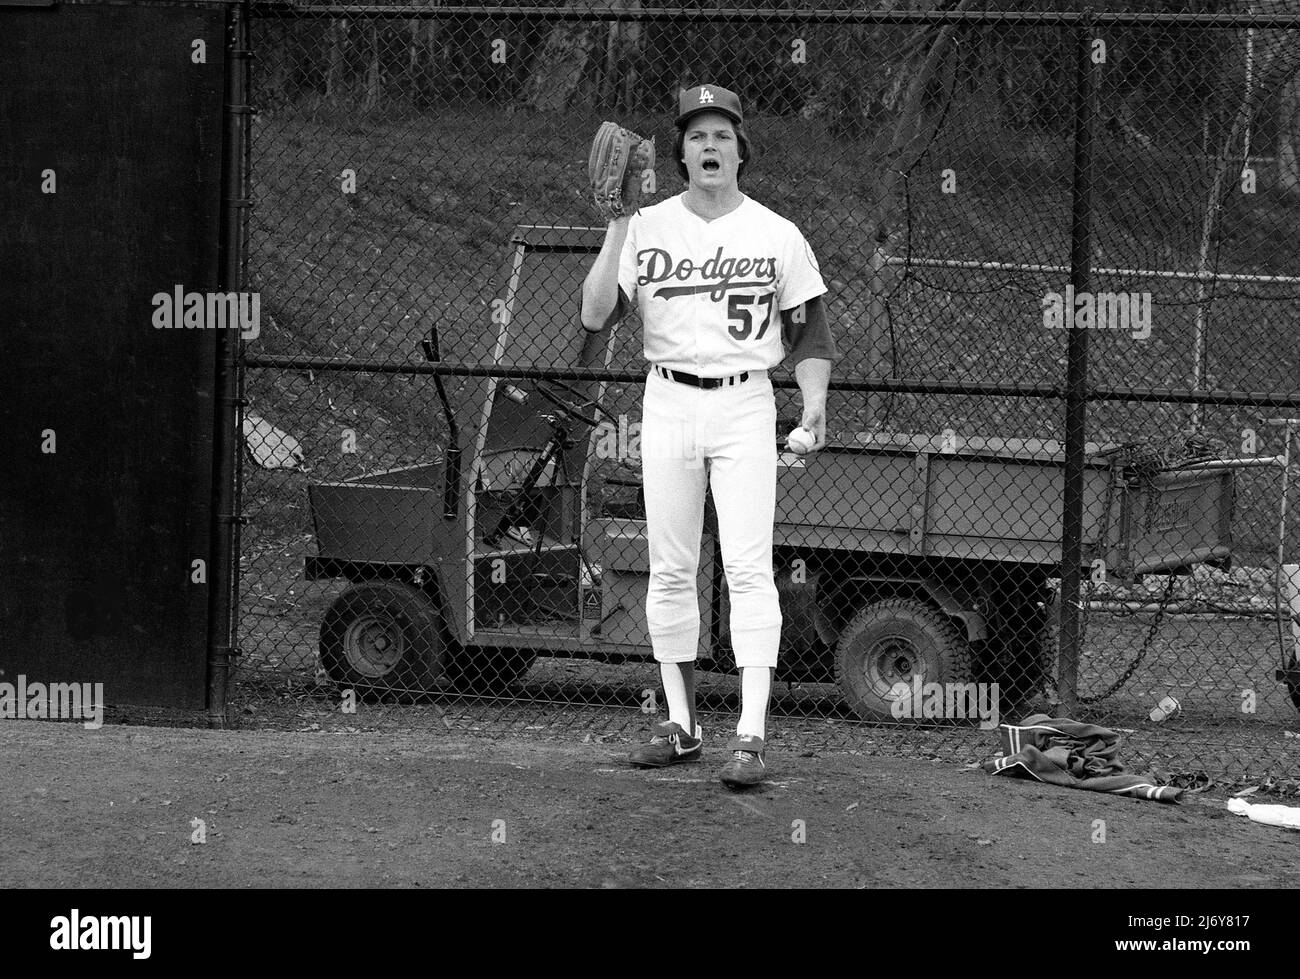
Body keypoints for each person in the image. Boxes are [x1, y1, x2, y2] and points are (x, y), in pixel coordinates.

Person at [580, 84, 840, 787]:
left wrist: (811, 403)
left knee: (749, 568)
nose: (710, 145)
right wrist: (615, 223)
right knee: (669, 567)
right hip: (666, 400)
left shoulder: (775, 233)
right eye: (697, 136)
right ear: (681, 155)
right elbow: (596, 314)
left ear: (741, 150)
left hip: (745, 403)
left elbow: (809, 334)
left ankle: (750, 735)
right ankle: (683, 725)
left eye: (722, 134)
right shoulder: (646, 224)